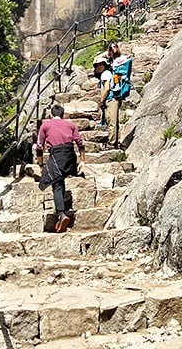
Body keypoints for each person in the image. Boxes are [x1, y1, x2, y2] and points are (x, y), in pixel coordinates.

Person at [30, 103, 85, 233]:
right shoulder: (70, 125)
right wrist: (82, 161)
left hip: (56, 156)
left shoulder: (45, 125)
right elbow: (81, 143)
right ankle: (63, 210)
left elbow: (39, 147)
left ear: (50, 115)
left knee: (56, 184)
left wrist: (41, 165)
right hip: (70, 156)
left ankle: (61, 214)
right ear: (63, 115)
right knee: (60, 179)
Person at [93, 54, 120, 150]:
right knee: (113, 121)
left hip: (110, 100)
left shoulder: (105, 74)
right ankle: (115, 142)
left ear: (105, 65)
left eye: (101, 64)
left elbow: (107, 89)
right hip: (112, 99)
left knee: (111, 122)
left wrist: (101, 100)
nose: (99, 67)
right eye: (97, 65)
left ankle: (112, 143)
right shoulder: (108, 73)